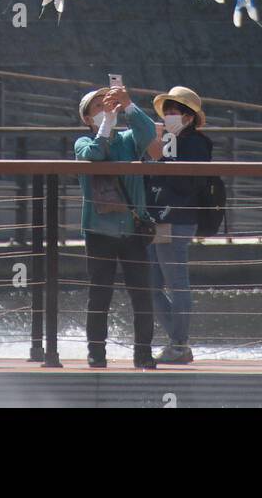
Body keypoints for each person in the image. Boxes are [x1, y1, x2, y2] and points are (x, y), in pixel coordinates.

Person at [75, 83, 158, 370]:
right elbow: (95, 154)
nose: (104, 109)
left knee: (142, 294)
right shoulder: (82, 143)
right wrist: (107, 124)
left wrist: (129, 105)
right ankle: (96, 353)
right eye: (97, 107)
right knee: (99, 294)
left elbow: (149, 134)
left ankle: (143, 353)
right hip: (99, 230)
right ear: (87, 118)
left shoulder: (127, 140)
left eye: (106, 103)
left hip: (132, 229)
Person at [147, 86, 213, 364]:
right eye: (168, 111)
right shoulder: (164, 139)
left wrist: (163, 155)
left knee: (176, 283)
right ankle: (178, 342)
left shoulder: (196, 143)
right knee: (150, 285)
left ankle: (178, 344)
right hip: (155, 218)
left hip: (177, 219)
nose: (171, 115)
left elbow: (187, 183)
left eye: (177, 111)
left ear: (189, 117)